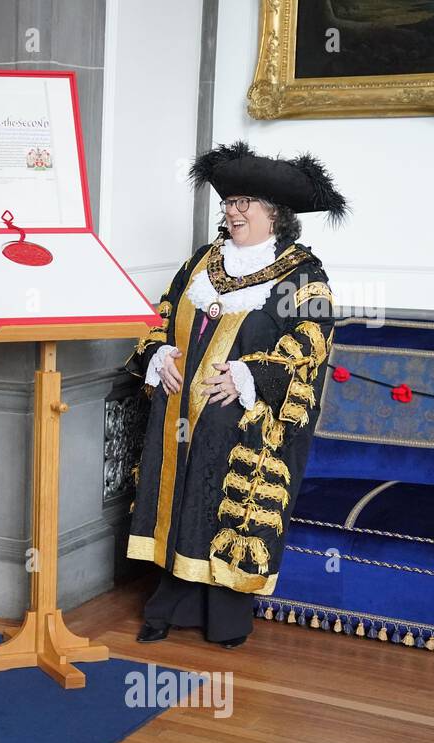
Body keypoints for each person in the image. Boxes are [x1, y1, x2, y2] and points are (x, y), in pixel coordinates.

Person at [124, 141, 348, 649]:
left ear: (277, 214)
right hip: (179, 407)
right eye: (230, 202)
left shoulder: (299, 273)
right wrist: (158, 356)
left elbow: (311, 343)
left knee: (225, 507)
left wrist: (250, 376)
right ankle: (168, 606)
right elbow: (159, 315)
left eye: (247, 202)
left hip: (242, 417)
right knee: (178, 499)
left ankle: (225, 619)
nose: (234, 210)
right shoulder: (203, 261)